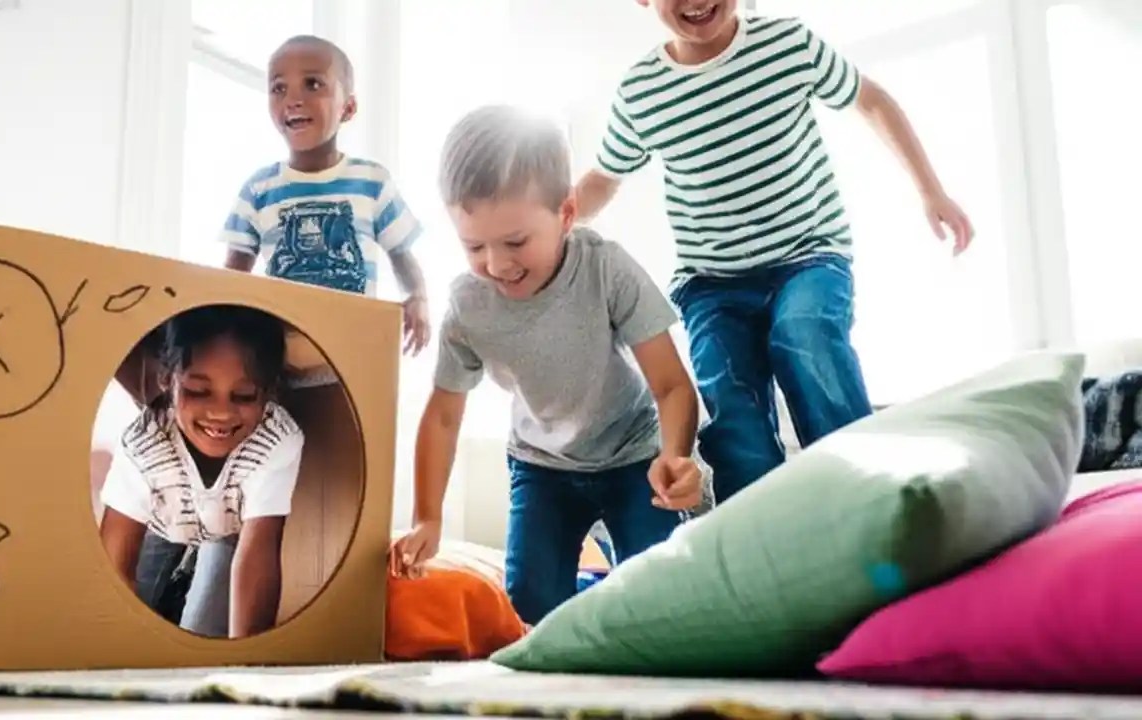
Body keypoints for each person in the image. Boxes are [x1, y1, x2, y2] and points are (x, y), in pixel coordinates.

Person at [575, 0, 976, 502]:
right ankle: (760, 525)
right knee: (731, 399)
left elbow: (870, 100)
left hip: (809, 256)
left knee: (804, 334)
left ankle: (863, 494)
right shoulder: (643, 92)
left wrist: (930, 189)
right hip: (712, 284)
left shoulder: (787, 45)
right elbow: (604, 177)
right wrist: (556, 216)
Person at [390, 105, 704, 625]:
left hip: (632, 454)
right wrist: (427, 516)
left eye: (515, 242)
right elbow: (443, 415)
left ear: (565, 213)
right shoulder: (468, 305)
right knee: (531, 608)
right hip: (542, 467)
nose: (497, 264)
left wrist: (675, 455)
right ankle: (591, 585)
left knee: (664, 599)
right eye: (474, 246)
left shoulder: (607, 268)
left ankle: (611, 585)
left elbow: (671, 384)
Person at [99, 304, 305, 639]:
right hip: (162, 522)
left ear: (266, 394)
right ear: (167, 381)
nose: (221, 412)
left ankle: (192, 567)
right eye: (198, 390)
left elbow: (259, 552)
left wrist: (246, 660)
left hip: (229, 528)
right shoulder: (144, 445)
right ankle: (181, 571)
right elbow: (114, 565)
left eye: (243, 395)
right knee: (128, 617)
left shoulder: (277, 438)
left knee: (203, 633)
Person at [221, 34, 431, 356]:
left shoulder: (372, 181)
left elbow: (401, 253)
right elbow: (232, 279)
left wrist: (418, 296)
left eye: (313, 84)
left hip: (354, 351)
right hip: (279, 354)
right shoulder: (257, 190)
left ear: (348, 107)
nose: (293, 99)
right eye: (279, 88)